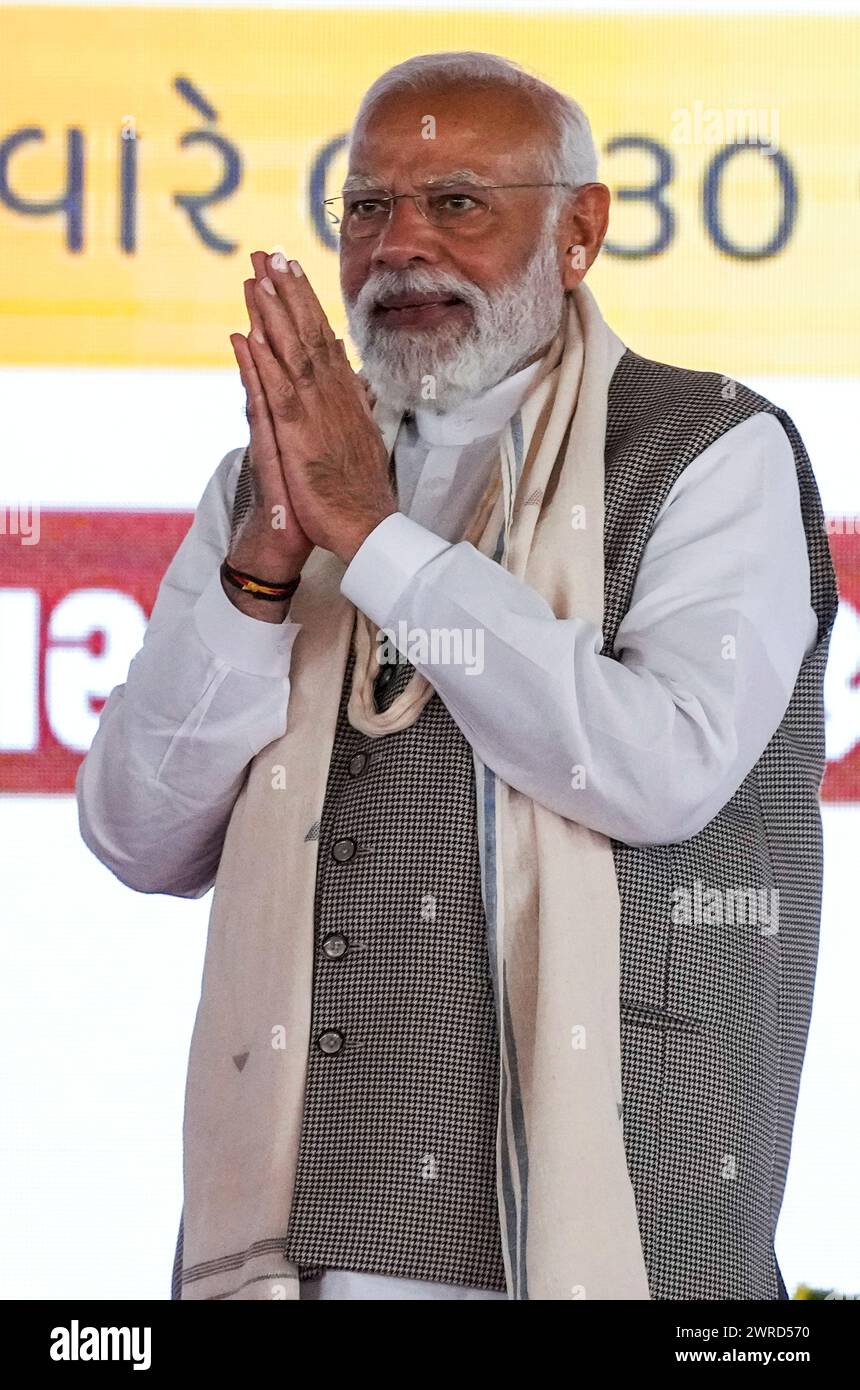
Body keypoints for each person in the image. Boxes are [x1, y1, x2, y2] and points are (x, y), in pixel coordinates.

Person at [76, 51, 838, 1301]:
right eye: (367, 207)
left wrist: (374, 541)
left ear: (578, 231)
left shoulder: (713, 445)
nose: (400, 248)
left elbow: (651, 767)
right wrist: (263, 569)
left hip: (604, 1227)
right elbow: (136, 833)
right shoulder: (269, 477)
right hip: (296, 1243)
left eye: (458, 204)